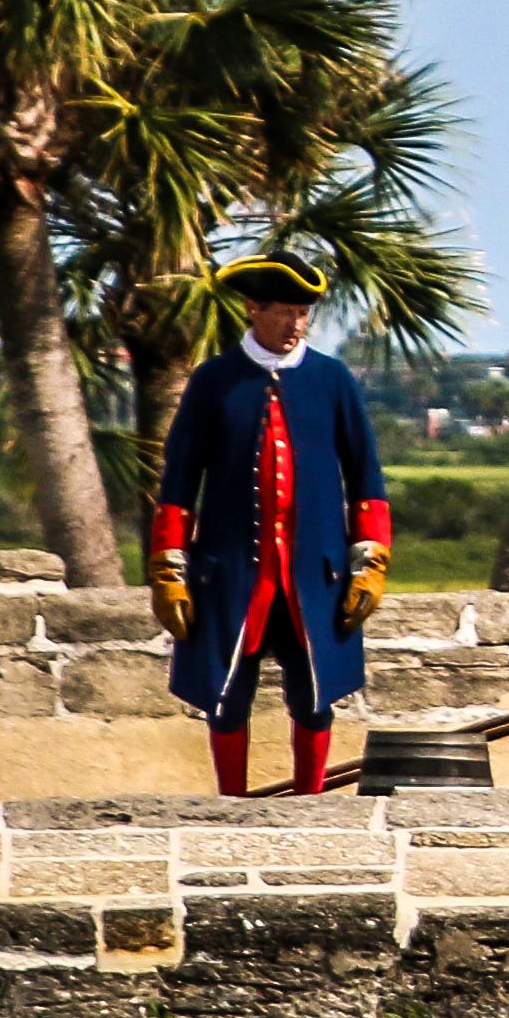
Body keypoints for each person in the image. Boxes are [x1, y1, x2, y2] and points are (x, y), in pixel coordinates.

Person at [150, 251, 391, 795]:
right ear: (253, 309)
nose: (296, 325)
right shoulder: (214, 381)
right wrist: (169, 567)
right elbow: (179, 482)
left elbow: (366, 478)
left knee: (313, 698)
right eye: (285, 311)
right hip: (232, 573)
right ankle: (230, 802)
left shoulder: (332, 380)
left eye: (304, 313)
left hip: (314, 574)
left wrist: (371, 559)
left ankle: (311, 801)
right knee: (226, 698)